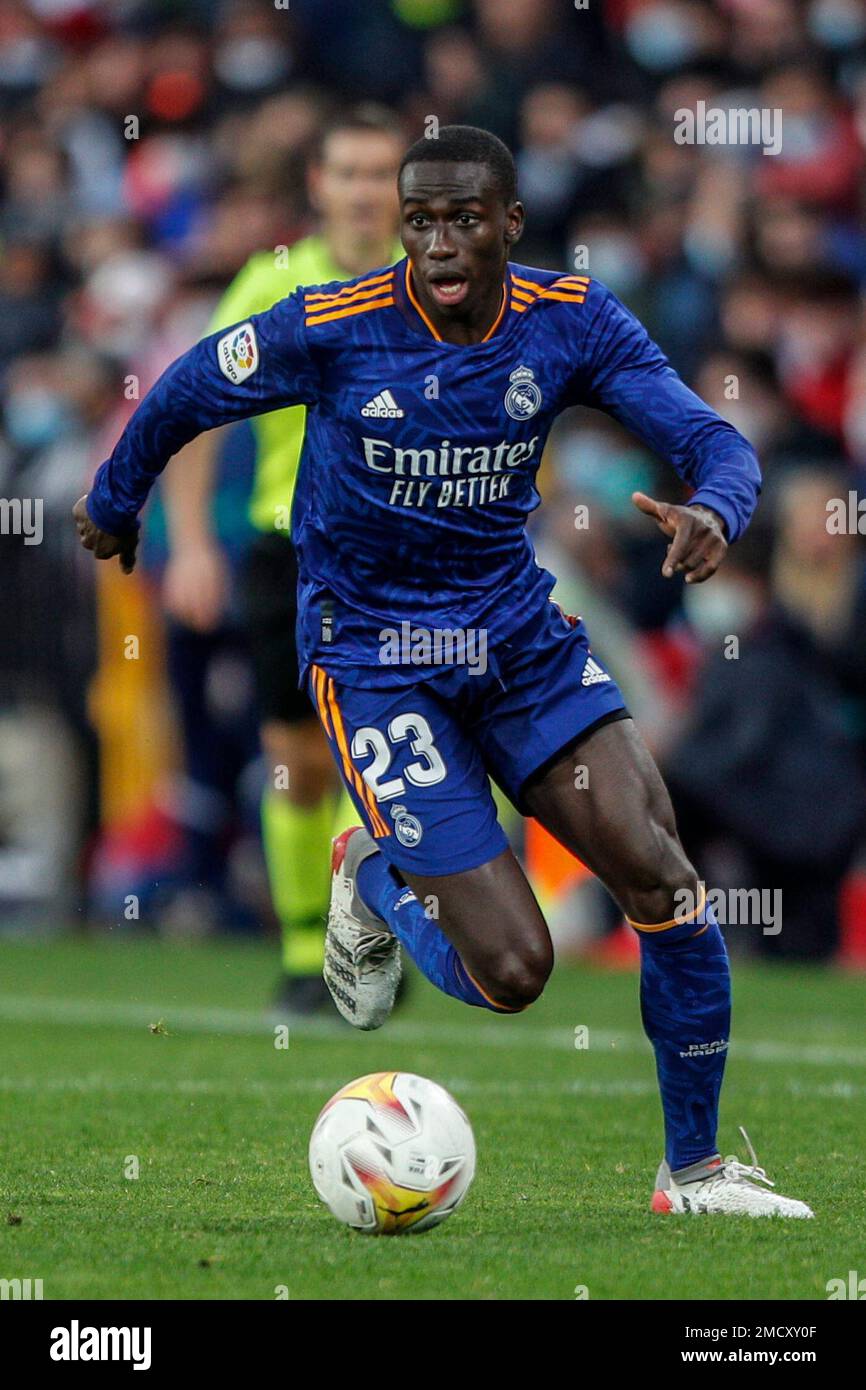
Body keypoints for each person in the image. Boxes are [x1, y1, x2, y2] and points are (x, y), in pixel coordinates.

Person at [74, 125, 811, 1218]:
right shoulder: (336, 323)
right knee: (515, 973)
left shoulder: (570, 319)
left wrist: (714, 507)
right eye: (419, 221)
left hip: (516, 641)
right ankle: (372, 875)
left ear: (509, 223)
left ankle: (692, 1173)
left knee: (660, 877)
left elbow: (712, 438)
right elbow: (188, 387)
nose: (437, 242)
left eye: (462, 218)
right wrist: (114, 496)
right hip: (375, 658)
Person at [162, 105, 405, 1011]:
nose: (364, 191)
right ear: (319, 184)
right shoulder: (275, 282)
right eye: (348, 171)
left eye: (382, 173)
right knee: (295, 761)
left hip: (404, 555)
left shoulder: (433, 284)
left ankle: (363, 941)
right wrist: (190, 545)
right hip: (288, 550)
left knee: (381, 758)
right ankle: (311, 954)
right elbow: (190, 409)